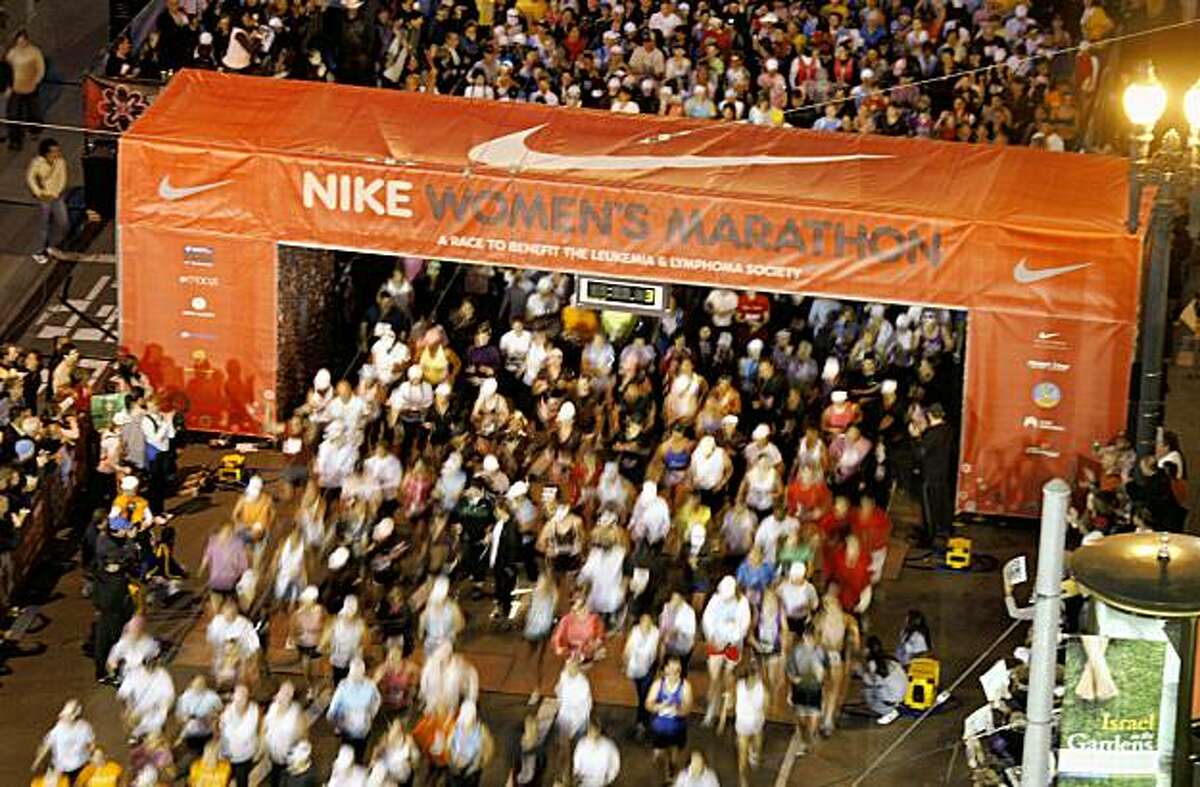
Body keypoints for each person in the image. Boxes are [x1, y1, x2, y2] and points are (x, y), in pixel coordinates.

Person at [646, 655, 693, 782]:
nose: (674, 673)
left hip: (676, 726)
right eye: (671, 670)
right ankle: (663, 768)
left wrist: (677, 710)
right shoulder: (658, 684)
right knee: (658, 753)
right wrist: (660, 706)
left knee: (674, 753)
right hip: (659, 726)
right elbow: (648, 704)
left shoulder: (685, 686)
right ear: (665, 669)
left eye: (677, 670)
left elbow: (688, 708)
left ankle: (671, 769)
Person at [914, 403, 956, 544]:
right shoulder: (948, 430)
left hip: (930, 474)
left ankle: (929, 536)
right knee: (942, 502)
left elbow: (920, 453)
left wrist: (916, 438)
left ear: (930, 415)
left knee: (929, 506)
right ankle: (945, 529)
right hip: (943, 473)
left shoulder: (932, 434)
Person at [328, 658, 382, 762]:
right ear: (350, 672)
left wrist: (371, 715)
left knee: (360, 753)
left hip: (364, 729)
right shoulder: (343, 686)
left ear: (363, 673)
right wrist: (338, 723)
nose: (356, 676)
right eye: (354, 673)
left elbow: (377, 700)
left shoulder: (370, 686)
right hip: (347, 729)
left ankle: (358, 763)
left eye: (359, 673)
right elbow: (333, 708)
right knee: (346, 753)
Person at [785, 626, 828, 758]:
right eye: (806, 638)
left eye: (811, 638)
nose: (808, 640)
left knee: (813, 723)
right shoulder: (796, 652)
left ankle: (808, 741)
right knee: (802, 722)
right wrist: (790, 691)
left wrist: (822, 684)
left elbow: (825, 674)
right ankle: (805, 740)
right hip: (800, 692)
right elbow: (790, 673)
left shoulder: (821, 652)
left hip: (815, 692)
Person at [26, 138, 67, 265]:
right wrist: (39, 193)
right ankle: (39, 251)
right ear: (46, 152)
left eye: (57, 150)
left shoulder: (60, 162)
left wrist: (55, 194)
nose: (57, 153)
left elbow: (63, 178)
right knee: (43, 224)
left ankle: (52, 244)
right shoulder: (37, 162)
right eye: (54, 151)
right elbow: (30, 178)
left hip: (56, 196)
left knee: (63, 222)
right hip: (43, 197)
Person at [33, 699, 94, 783]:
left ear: (73, 716)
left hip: (79, 766)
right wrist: (38, 760)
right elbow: (46, 745)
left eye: (65, 714)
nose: (60, 715)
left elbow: (91, 745)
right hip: (60, 768)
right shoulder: (58, 729)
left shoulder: (85, 728)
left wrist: (92, 758)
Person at [6, 30, 45, 151]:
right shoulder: (12, 53)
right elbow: (7, 70)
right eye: (19, 41)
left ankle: (34, 130)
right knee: (13, 114)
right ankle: (15, 140)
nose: (21, 43)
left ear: (26, 40)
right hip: (16, 88)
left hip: (30, 87)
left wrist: (36, 81)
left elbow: (40, 68)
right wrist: (8, 86)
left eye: (23, 41)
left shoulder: (34, 52)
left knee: (33, 112)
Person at [522, 571, 558, 705]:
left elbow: (554, 606)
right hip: (531, 630)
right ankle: (535, 688)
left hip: (542, 631)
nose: (539, 583)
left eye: (541, 581)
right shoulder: (534, 594)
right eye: (539, 581)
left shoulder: (550, 596)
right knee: (529, 659)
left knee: (536, 661)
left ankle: (536, 690)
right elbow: (526, 609)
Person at [623, 612, 660, 738]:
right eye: (644, 622)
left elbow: (654, 652)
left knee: (645, 695)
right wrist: (626, 664)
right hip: (635, 668)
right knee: (641, 695)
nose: (646, 625)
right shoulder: (635, 632)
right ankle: (644, 719)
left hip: (649, 668)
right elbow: (627, 650)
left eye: (648, 622)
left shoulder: (655, 633)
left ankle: (642, 723)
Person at [263, 682, 308, 785]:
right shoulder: (273, 707)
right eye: (282, 691)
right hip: (274, 754)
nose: (284, 695)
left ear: (292, 697)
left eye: (288, 693)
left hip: (289, 756)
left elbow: (303, 734)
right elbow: (266, 725)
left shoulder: (296, 712)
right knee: (275, 776)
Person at [218, 684, 260, 787]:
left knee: (242, 781)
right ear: (233, 696)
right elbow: (222, 729)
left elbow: (243, 735)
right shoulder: (229, 710)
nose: (240, 698)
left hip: (243, 756)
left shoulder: (253, 712)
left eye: (243, 695)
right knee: (225, 778)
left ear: (247, 698)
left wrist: (227, 725)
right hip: (227, 755)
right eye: (238, 694)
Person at [861, 635, 909, 725]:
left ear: (868, 649)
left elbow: (870, 682)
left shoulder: (873, 664)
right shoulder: (891, 659)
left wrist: (861, 672)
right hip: (902, 698)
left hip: (888, 705)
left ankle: (882, 710)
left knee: (866, 690)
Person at [447, 699, 493, 787]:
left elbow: (488, 751)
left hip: (471, 771)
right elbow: (449, 745)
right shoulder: (456, 728)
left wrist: (479, 763)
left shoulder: (481, 732)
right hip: (456, 770)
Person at [734, 664, 766, 787]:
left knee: (757, 746)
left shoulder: (762, 688)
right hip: (742, 724)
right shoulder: (739, 685)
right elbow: (731, 699)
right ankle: (743, 780)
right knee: (742, 757)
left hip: (757, 723)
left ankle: (754, 752)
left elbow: (766, 707)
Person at [572, 721, 621, 787]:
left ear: (599, 731)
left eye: (594, 731)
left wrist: (607, 780)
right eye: (590, 732)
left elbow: (615, 766)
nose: (592, 734)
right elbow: (576, 765)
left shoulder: (609, 746)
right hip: (584, 783)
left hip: (599, 783)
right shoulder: (581, 744)